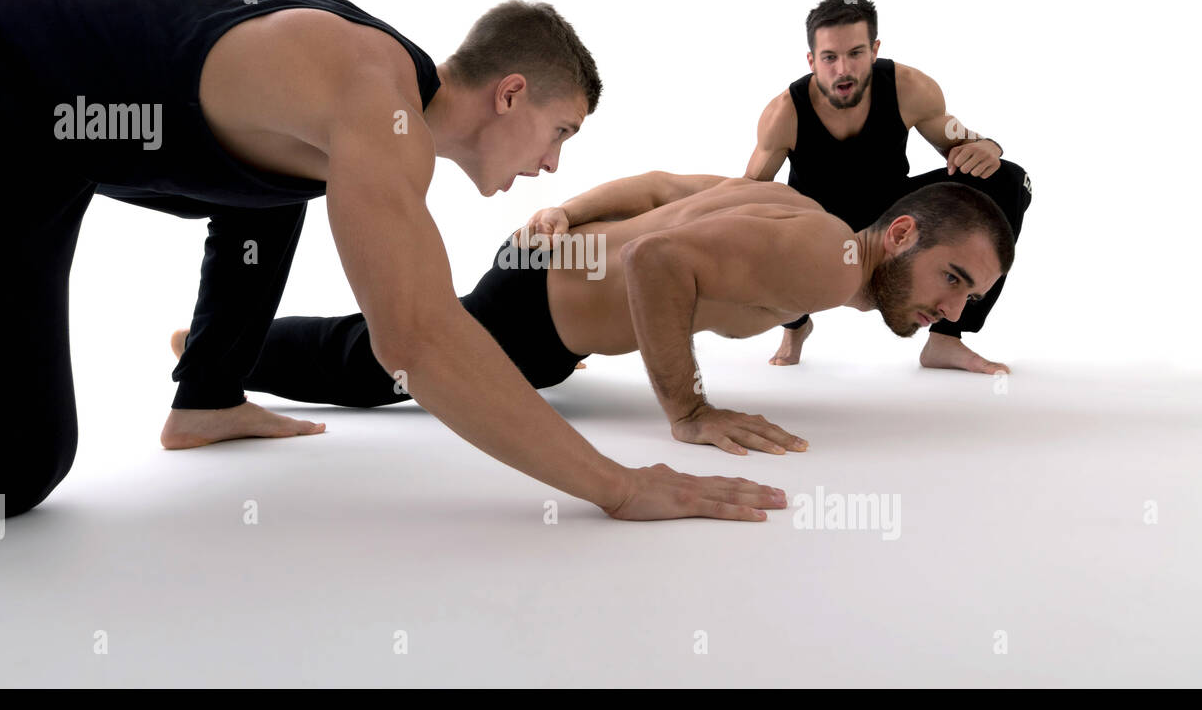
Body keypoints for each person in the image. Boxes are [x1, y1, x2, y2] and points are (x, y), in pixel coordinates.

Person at [0, 0, 785, 526]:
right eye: (562, 132)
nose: (555, 167)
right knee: (5, 466)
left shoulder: (348, 115)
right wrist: (618, 485)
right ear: (511, 94)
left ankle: (203, 406)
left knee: (266, 190)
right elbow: (416, 339)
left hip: (35, 135)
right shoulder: (376, 99)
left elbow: (258, 205)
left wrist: (210, 386)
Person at [192, 172, 1014, 455]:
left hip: (545, 279)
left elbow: (661, 192)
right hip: (536, 313)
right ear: (899, 233)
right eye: (952, 277)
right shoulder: (834, 266)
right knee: (382, 365)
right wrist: (687, 409)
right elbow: (660, 261)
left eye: (968, 297)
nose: (951, 308)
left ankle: (218, 353)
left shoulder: (803, 212)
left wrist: (566, 212)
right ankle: (212, 361)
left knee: (386, 348)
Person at [744, 0, 1033, 374]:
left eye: (856, 53)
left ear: (875, 49)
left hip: (892, 210)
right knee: (762, 227)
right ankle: (795, 326)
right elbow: (747, 196)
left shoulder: (910, 88)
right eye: (830, 57)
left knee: (1008, 179)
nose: (843, 69)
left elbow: (962, 142)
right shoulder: (784, 113)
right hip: (819, 223)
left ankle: (947, 337)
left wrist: (988, 146)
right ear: (812, 60)